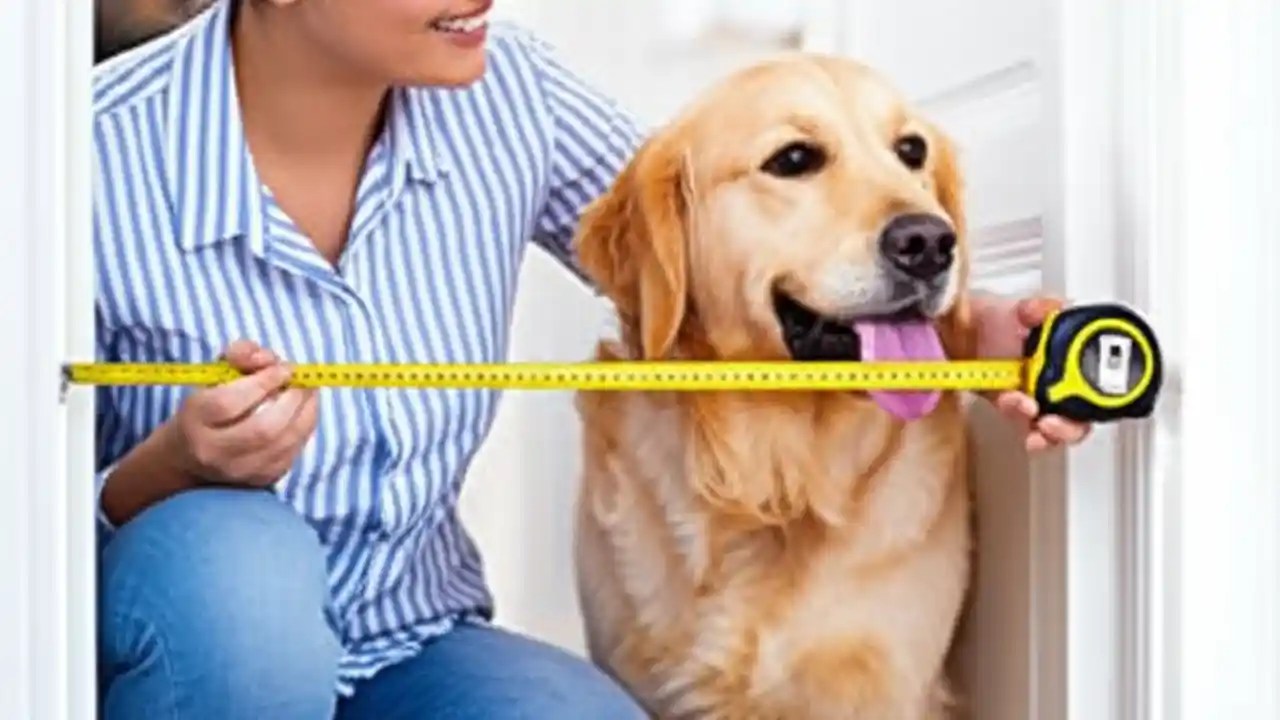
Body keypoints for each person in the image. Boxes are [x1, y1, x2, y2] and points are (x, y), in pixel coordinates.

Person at [91, 1, 1092, 718]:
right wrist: (172, 468)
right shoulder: (86, 155)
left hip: (409, 637)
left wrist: (976, 333)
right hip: (202, 624)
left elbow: (709, 250)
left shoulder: (508, 91)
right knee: (245, 570)